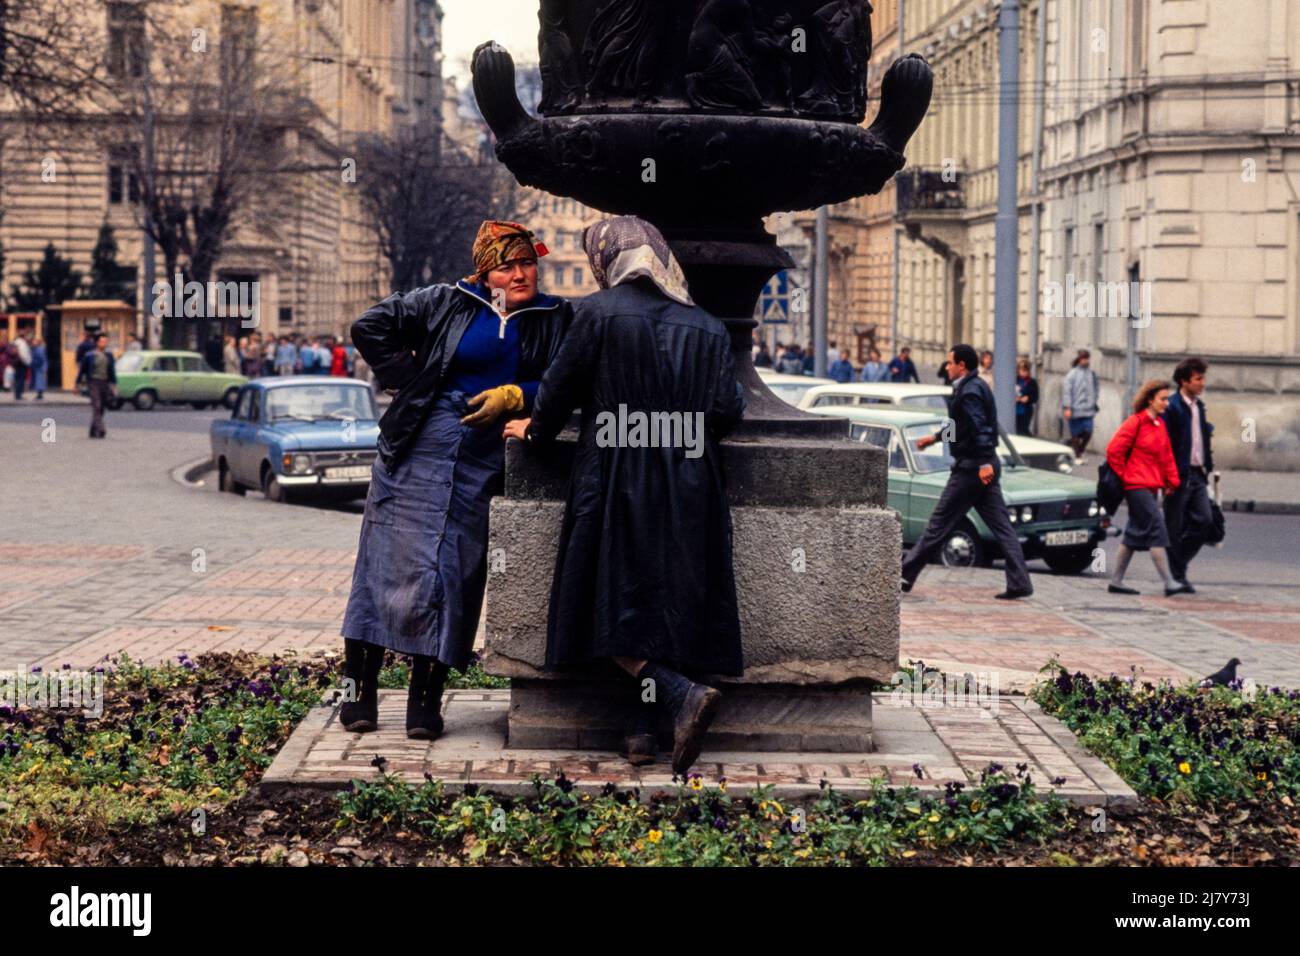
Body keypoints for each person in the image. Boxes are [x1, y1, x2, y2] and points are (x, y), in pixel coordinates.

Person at [503, 216, 744, 774]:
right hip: (689, 479)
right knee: (669, 598)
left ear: (608, 261)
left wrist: (533, 431)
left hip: (613, 473)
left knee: (603, 597)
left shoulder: (594, 313)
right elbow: (728, 409)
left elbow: (560, 390)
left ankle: (677, 696)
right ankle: (642, 730)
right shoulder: (706, 325)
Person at [342, 219, 572, 738]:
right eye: (506, 266)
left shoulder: (556, 316)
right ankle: (359, 695)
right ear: (485, 272)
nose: (519, 274)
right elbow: (368, 327)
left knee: (455, 571)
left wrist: (518, 395)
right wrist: (411, 379)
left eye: (526, 263)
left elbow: (568, 378)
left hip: (483, 460)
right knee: (382, 568)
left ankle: (425, 702)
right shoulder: (445, 301)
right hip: (417, 450)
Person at [900, 344, 1033, 600]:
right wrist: (935, 438)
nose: (946, 367)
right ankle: (1019, 582)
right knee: (1003, 527)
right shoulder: (973, 386)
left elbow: (980, 428)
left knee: (938, 525)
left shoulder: (970, 390)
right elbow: (960, 426)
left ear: (962, 365)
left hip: (973, 469)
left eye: (950, 363)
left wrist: (983, 463)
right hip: (983, 465)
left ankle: (905, 575)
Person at [1105, 379, 1185, 596]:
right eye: (1163, 399)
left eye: (1168, 399)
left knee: (1133, 534)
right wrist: (1126, 476)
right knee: (1158, 529)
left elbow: (1167, 456)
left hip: (1151, 487)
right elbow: (1114, 451)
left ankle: (1116, 581)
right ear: (1150, 400)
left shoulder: (1160, 425)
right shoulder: (1135, 422)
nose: (1167, 403)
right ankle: (1169, 582)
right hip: (1136, 487)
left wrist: (1172, 481)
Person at [1162, 357, 1214, 592]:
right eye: (1198, 379)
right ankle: (1176, 576)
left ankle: (1179, 565)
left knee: (1204, 520)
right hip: (1178, 475)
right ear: (1184, 381)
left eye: (1203, 378)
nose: (1202, 383)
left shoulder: (1198, 406)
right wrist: (1168, 477)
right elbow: (1166, 445)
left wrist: (1208, 466)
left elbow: (1200, 438)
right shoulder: (1172, 407)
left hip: (1197, 473)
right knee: (1173, 527)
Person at [1062, 348, 1099, 464]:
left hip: (1088, 409)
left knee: (1088, 431)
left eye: (1087, 359)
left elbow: (1096, 388)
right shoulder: (1072, 374)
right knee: (1075, 433)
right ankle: (1077, 456)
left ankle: (1079, 449)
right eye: (1083, 359)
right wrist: (1067, 407)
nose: (1085, 361)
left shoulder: (1092, 374)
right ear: (1079, 359)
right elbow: (1067, 391)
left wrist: (1094, 401)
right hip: (1075, 409)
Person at [76, 333, 117, 438]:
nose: (104, 343)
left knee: (102, 407)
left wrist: (114, 385)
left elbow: (112, 371)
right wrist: (77, 383)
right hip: (93, 382)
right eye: (102, 341)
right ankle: (101, 428)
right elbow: (82, 370)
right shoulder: (89, 355)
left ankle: (92, 430)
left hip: (105, 382)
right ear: (97, 343)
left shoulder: (109, 355)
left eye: (106, 341)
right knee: (97, 405)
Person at [1014, 358, 1038, 436]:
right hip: (1014, 409)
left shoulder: (1032, 382)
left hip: (1025, 410)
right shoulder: (1014, 380)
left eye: (1026, 371)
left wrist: (1028, 398)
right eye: (1022, 370)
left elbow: (1035, 397)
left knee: (1023, 429)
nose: (1024, 373)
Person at [11, 331, 31, 400]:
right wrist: (27, 362)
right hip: (22, 363)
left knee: (17, 379)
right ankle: (19, 395)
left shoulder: (15, 342)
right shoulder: (22, 343)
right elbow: (24, 355)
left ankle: (16, 394)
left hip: (16, 363)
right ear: (23, 336)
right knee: (21, 379)